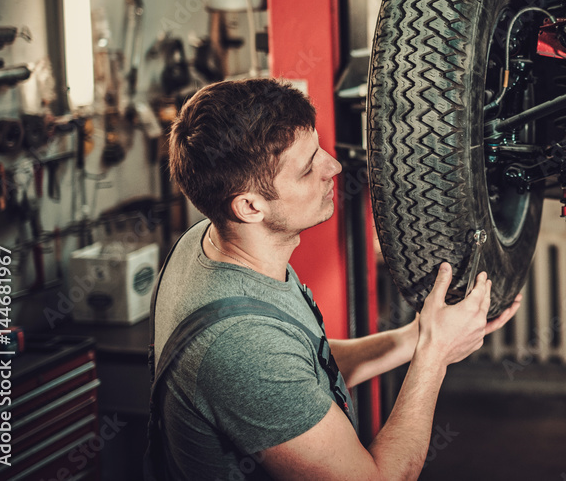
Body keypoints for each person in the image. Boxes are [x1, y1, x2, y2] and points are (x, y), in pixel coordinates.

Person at [154, 78, 521, 480]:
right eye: (309, 167)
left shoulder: (208, 243)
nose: (334, 167)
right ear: (249, 206)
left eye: (319, 151)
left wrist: (413, 338)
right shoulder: (242, 346)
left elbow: (301, 373)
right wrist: (435, 355)